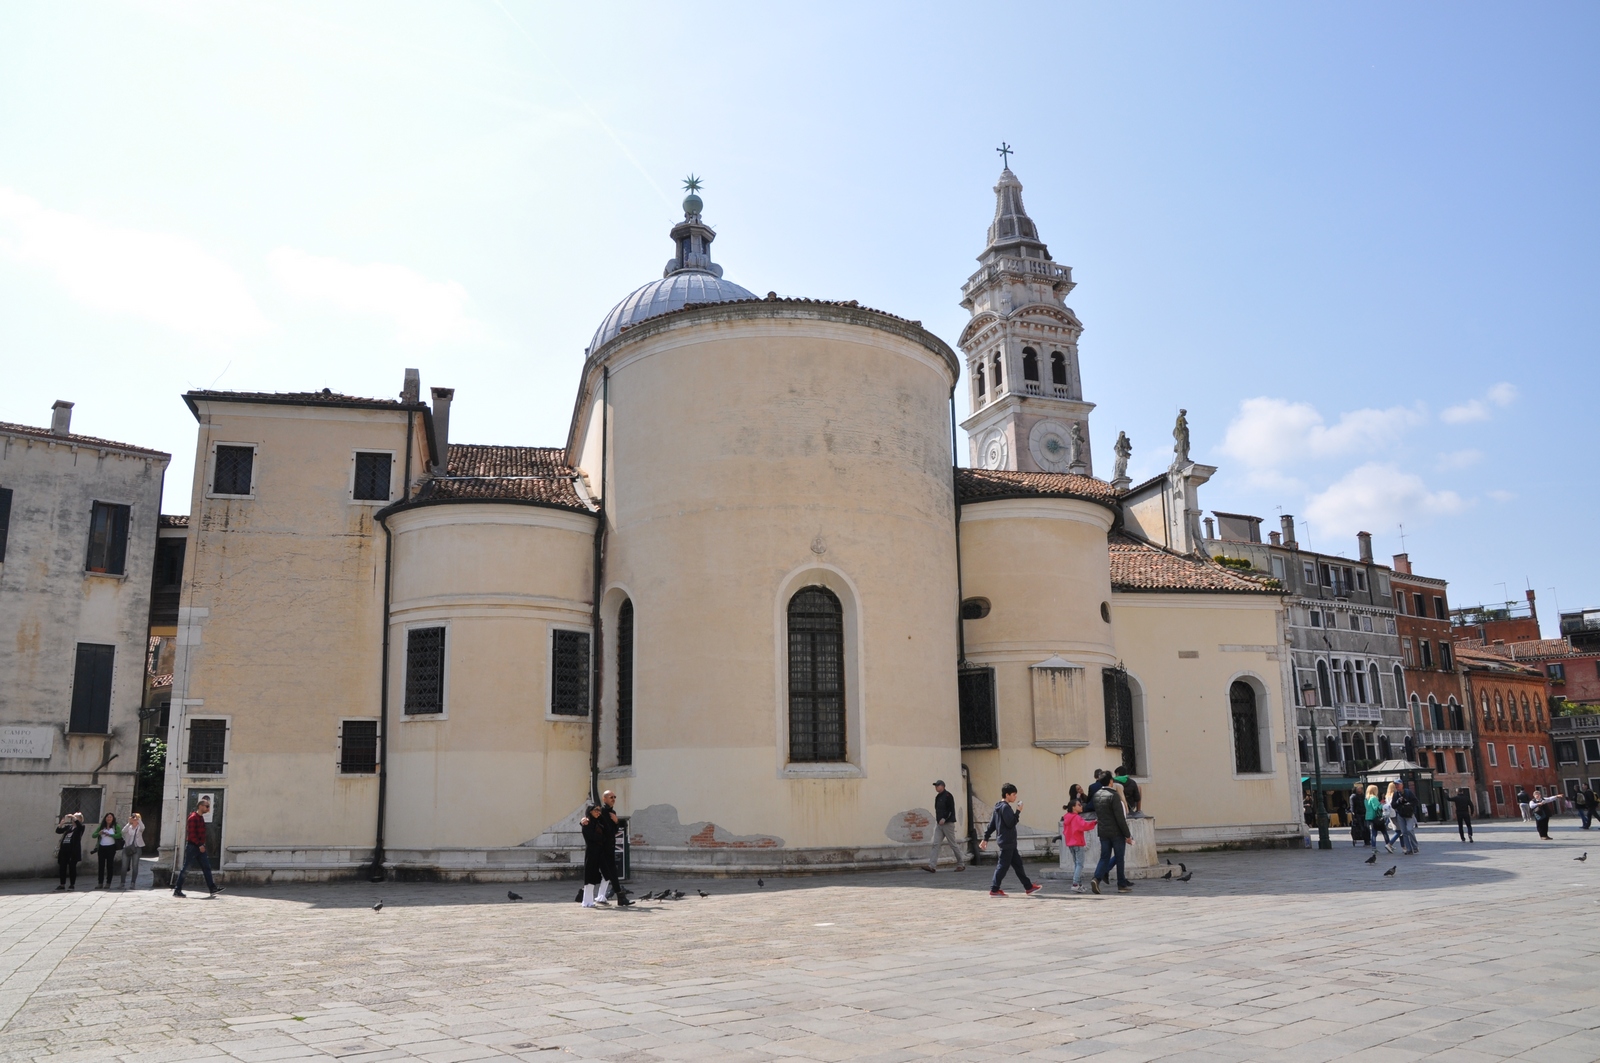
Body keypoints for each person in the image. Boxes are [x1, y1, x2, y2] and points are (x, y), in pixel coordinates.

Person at [979, 784, 1041, 897]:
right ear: (1007, 795)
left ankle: (1028, 887)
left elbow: (992, 825)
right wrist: (1018, 811)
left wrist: (985, 838)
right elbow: (1011, 823)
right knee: (1002, 866)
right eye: (1013, 794)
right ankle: (994, 889)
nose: (1015, 797)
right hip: (1007, 841)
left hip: (1008, 842)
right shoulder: (1005, 807)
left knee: (1018, 865)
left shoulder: (998, 807)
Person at [1090, 771, 1134, 894]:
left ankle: (1096, 878)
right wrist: (1127, 835)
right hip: (1116, 833)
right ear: (1111, 781)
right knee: (1120, 858)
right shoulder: (1113, 795)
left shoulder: (1096, 795)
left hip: (1103, 831)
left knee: (1104, 857)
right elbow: (1120, 818)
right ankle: (1121, 884)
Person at [590, 790, 633, 906]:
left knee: (609, 874)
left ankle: (602, 896)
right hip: (602, 848)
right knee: (611, 872)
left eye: (614, 797)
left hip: (609, 847)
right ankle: (620, 896)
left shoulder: (612, 812)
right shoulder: (601, 811)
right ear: (604, 799)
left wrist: (616, 822)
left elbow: (614, 831)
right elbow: (600, 827)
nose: (613, 799)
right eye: (610, 797)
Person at [173, 797, 222, 898]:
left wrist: (201, 845)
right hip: (193, 847)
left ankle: (212, 889)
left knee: (206, 867)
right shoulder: (193, 818)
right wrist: (199, 845)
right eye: (207, 806)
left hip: (200, 847)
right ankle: (177, 890)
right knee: (186, 869)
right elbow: (192, 835)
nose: (208, 809)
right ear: (200, 806)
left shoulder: (200, 817)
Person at [923, 780, 965, 872]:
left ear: (943, 786)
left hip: (948, 824)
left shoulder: (948, 796)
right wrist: (939, 820)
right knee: (936, 844)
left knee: (952, 844)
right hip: (940, 824)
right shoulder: (938, 797)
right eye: (935, 786)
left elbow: (951, 810)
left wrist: (945, 818)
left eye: (937, 785)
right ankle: (932, 866)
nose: (936, 787)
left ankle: (961, 864)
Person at [1060, 797, 1093, 893]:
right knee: (1080, 864)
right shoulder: (1076, 818)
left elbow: (1066, 832)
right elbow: (1085, 826)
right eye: (1079, 805)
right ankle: (1075, 883)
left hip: (1071, 844)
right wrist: (1095, 822)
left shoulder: (1067, 817)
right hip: (1078, 843)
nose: (1081, 806)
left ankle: (1079, 884)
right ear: (1074, 807)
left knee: (1077, 864)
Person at [579, 804, 608, 907]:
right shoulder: (587, 824)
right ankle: (587, 901)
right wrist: (603, 838)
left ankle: (601, 896)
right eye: (595, 810)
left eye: (599, 810)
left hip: (601, 852)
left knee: (607, 873)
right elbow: (593, 837)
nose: (598, 812)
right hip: (592, 852)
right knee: (590, 877)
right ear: (590, 811)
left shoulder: (599, 822)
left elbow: (607, 830)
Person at [54, 813, 85, 891]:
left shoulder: (80, 828)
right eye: (74, 818)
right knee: (62, 868)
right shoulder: (69, 827)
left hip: (73, 851)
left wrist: (74, 817)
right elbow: (58, 831)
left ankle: (72, 884)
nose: (74, 819)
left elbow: (79, 826)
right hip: (64, 850)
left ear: (80, 819)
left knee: (72, 868)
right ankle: (62, 884)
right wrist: (61, 824)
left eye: (77, 818)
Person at [92, 812, 121, 889]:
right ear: (105, 818)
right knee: (101, 865)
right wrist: (99, 833)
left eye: (110, 817)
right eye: (107, 817)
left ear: (113, 819)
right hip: (101, 847)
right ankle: (100, 882)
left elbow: (119, 835)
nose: (109, 819)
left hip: (111, 848)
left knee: (109, 865)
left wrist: (110, 835)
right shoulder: (102, 827)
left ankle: (108, 882)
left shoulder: (115, 826)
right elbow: (93, 835)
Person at [119, 813, 146, 889]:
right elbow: (123, 831)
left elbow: (143, 827)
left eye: (136, 818)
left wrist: (138, 819)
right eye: (133, 817)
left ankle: (133, 883)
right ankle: (122, 882)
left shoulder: (139, 827)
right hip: (127, 847)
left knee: (135, 865)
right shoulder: (129, 827)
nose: (134, 819)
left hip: (137, 847)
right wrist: (129, 822)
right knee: (124, 866)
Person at [1365, 784, 1394, 854]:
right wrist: (1382, 805)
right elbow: (1376, 807)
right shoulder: (1374, 798)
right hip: (1376, 817)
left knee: (1374, 832)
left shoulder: (1366, 799)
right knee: (1384, 831)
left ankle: (1373, 847)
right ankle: (1389, 844)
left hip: (1369, 816)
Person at [1392, 783, 1419, 855]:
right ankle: (1409, 849)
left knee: (1410, 830)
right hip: (1400, 814)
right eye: (1396, 785)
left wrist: (1408, 803)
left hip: (1409, 814)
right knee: (1404, 832)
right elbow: (1393, 805)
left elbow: (1416, 801)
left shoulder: (1408, 792)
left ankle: (1415, 847)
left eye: (1398, 785)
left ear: (1402, 785)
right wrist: (1398, 801)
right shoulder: (1395, 794)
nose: (1397, 786)